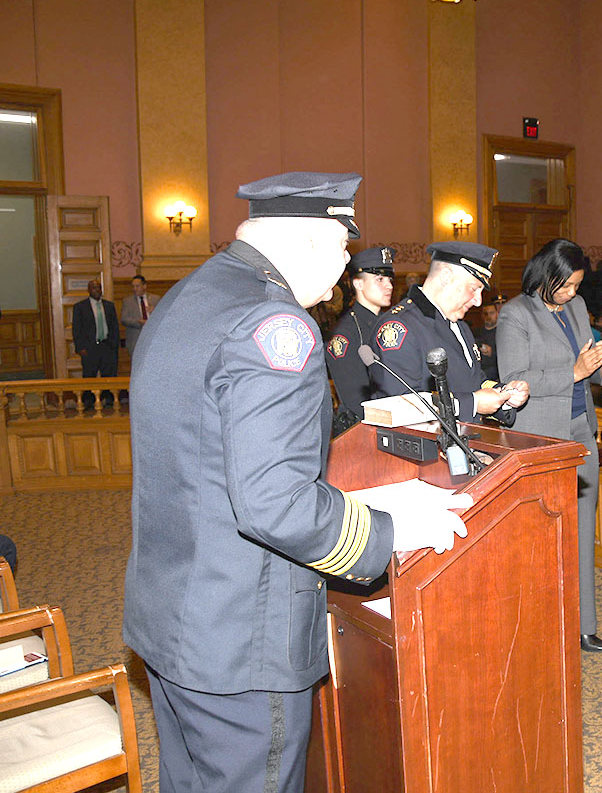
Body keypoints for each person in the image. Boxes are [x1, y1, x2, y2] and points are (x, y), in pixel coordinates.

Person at [123, 171, 469, 793]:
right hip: (241, 634)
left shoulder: (192, 295)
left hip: (174, 612)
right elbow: (273, 504)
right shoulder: (275, 326)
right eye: (343, 249)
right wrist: (392, 531)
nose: (344, 269)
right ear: (312, 239)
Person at [497, 239, 602, 654]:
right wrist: (575, 370)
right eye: (565, 286)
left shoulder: (577, 308)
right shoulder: (516, 314)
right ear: (545, 275)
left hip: (580, 426)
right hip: (540, 434)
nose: (571, 293)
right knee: (541, 533)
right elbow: (515, 378)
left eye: (577, 286)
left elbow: (588, 366)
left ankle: (584, 623)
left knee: (582, 528)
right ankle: (540, 621)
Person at [367, 242, 530, 425]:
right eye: (474, 288)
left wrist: (504, 395)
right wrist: (473, 403)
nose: (478, 301)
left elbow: (474, 382)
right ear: (445, 276)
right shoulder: (398, 327)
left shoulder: (459, 325)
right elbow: (400, 405)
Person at [324, 246, 395, 423]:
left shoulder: (389, 323)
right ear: (359, 284)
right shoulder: (346, 334)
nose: (389, 286)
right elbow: (355, 400)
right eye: (379, 279)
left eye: (389, 279)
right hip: (364, 428)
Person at [71, 279, 120, 409]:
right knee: (89, 375)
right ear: (88, 290)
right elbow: (77, 329)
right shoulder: (80, 307)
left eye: (98, 288)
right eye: (93, 288)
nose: (97, 291)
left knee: (109, 374)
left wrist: (114, 346)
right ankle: (89, 401)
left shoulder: (109, 306)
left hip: (106, 346)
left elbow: (114, 327)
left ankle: (108, 399)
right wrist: (80, 347)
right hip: (89, 348)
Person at [120, 274, 160, 355]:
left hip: (153, 339)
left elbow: (163, 318)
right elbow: (124, 319)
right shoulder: (128, 301)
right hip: (135, 340)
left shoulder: (155, 299)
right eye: (133, 286)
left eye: (137, 286)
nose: (134, 289)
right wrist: (138, 322)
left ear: (144, 286)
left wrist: (154, 311)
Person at [474, 299, 500, 381]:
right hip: (478, 370)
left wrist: (492, 352)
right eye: (486, 314)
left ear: (497, 313)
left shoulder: (502, 333)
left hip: (496, 372)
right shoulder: (475, 333)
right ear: (482, 315)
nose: (488, 317)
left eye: (491, 313)